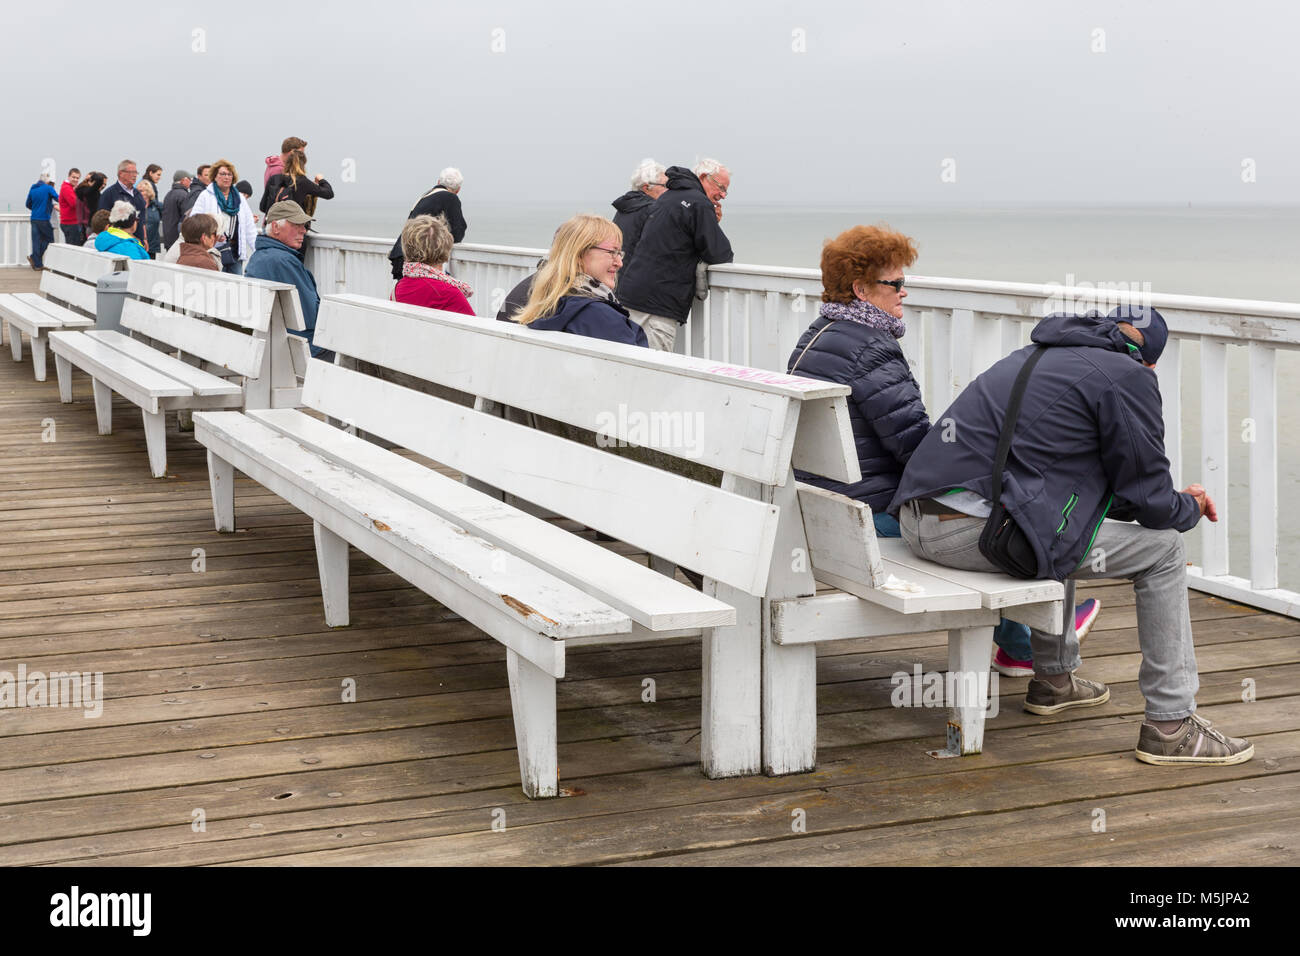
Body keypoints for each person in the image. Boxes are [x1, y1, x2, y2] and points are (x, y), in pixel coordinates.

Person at [889, 306, 1252, 765]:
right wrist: (1190, 507)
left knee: (1063, 522)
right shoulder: (1128, 375)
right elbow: (1152, 504)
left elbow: (1097, 489)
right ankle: (1171, 725)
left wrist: (1165, 500)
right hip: (971, 534)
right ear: (1151, 362)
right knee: (1163, 549)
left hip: (917, 521)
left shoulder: (1033, 355)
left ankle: (1055, 681)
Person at [788, 224, 1098, 677]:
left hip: (820, 508)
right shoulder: (872, 349)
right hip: (869, 519)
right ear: (860, 289)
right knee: (1002, 514)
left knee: (982, 503)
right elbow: (913, 445)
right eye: (894, 283)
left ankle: (1021, 641)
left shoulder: (816, 336)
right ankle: (1032, 640)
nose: (904, 293)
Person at [615, 159, 734, 351]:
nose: (723, 195)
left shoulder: (668, 196)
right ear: (704, 177)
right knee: (654, 369)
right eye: (721, 187)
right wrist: (710, 222)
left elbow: (676, 239)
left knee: (629, 361)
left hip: (632, 294)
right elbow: (720, 253)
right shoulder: (698, 203)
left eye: (726, 190)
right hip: (658, 304)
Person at [513, 215, 647, 347]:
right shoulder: (600, 316)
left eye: (619, 253)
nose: (619, 263)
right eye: (612, 252)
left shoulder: (545, 302)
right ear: (578, 255)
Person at [245, 201, 323, 357]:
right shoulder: (284, 262)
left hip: (270, 344)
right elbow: (312, 317)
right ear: (275, 227)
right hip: (297, 349)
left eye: (304, 225)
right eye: (296, 225)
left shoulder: (258, 257)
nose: (303, 231)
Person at [388, 167, 466, 279]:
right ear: (458, 189)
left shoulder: (425, 196)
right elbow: (458, 232)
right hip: (419, 260)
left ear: (438, 182)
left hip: (404, 254)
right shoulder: (451, 197)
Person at [394, 215, 474, 316]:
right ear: (446, 249)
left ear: (406, 248)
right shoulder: (448, 294)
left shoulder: (398, 289)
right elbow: (476, 330)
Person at [188, 159, 256, 274]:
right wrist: (212, 234)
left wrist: (257, 250)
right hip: (213, 252)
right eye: (223, 174)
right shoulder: (205, 196)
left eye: (229, 174)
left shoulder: (240, 198)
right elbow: (195, 221)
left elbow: (250, 227)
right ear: (214, 176)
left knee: (236, 287)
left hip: (235, 252)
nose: (226, 177)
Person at [611, 158, 667, 268]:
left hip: (618, 272)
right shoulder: (652, 210)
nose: (670, 190)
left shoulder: (625, 207)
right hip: (638, 276)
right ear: (647, 187)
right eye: (665, 186)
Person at [261, 149, 333, 218]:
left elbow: (262, 207)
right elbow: (329, 194)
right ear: (303, 164)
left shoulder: (274, 179)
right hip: (293, 227)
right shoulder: (303, 182)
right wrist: (321, 180)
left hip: (273, 226)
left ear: (287, 162)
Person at [98, 160, 147, 232]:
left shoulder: (138, 194)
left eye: (136, 172)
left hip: (138, 241)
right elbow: (102, 221)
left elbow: (142, 220)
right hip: (119, 240)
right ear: (121, 173)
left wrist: (145, 239)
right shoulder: (109, 194)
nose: (135, 175)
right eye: (131, 172)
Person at [25, 173, 60, 270]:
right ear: (47, 181)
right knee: (50, 239)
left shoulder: (33, 189)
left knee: (36, 241)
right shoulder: (48, 188)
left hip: (34, 218)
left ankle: (38, 264)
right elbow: (58, 198)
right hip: (44, 218)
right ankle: (34, 258)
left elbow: (27, 204)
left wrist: (36, 208)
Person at [161, 170, 192, 249]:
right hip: (178, 240)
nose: (191, 182)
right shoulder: (184, 195)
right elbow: (187, 218)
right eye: (189, 179)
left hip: (168, 238)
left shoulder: (168, 194)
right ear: (183, 180)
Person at [58, 168, 85, 246]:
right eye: (73, 177)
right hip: (70, 223)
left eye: (77, 178)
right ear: (69, 177)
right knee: (74, 247)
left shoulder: (69, 187)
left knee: (72, 246)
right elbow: (74, 203)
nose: (75, 180)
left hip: (70, 222)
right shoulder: (67, 188)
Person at [137, 180, 163, 258]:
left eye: (141, 191)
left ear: (148, 192)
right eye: (137, 191)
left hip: (152, 245)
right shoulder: (134, 206)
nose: (138, 193)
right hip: (138, 244)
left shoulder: (157, 206)